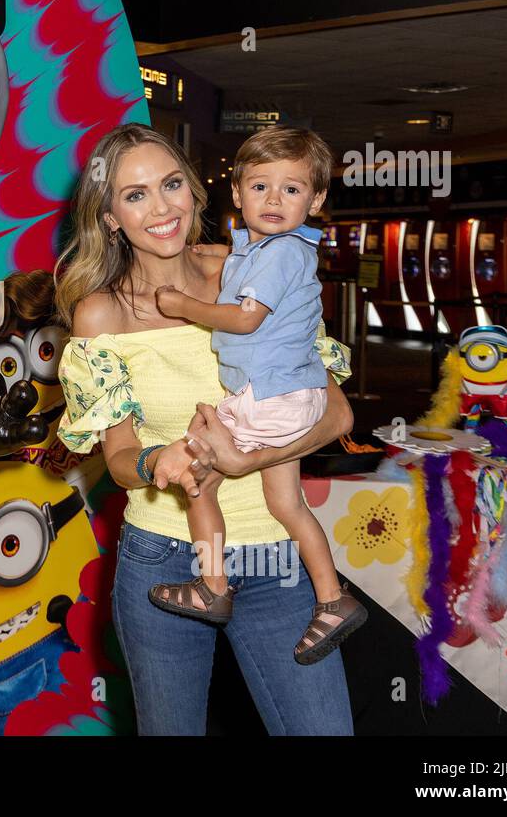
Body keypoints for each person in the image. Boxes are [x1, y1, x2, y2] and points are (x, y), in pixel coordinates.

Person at [53, 122, 355, 734]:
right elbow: (118, 458)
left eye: (171, 185)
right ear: (110, 217)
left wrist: (246, 462)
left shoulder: (255, 269)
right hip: (165, 562)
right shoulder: (100, 312)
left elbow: (338, 415)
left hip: (276, 552)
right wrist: (155, 459)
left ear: (196, 193)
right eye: (135, 195)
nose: (161, 208)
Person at [148, 126, 366, 665]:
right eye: (260, 186)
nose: (273, 200)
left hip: (268, 397)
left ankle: (213, 586)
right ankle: (333, 599)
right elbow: (240, 256)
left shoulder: (282, 254)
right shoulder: (265, 248)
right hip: (293, 393)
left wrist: (183, 306)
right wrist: (208, 249)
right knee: (286, 504)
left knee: (197, 481)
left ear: (315, 200)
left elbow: (246, 319)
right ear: (238, 193)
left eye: (291, 190)